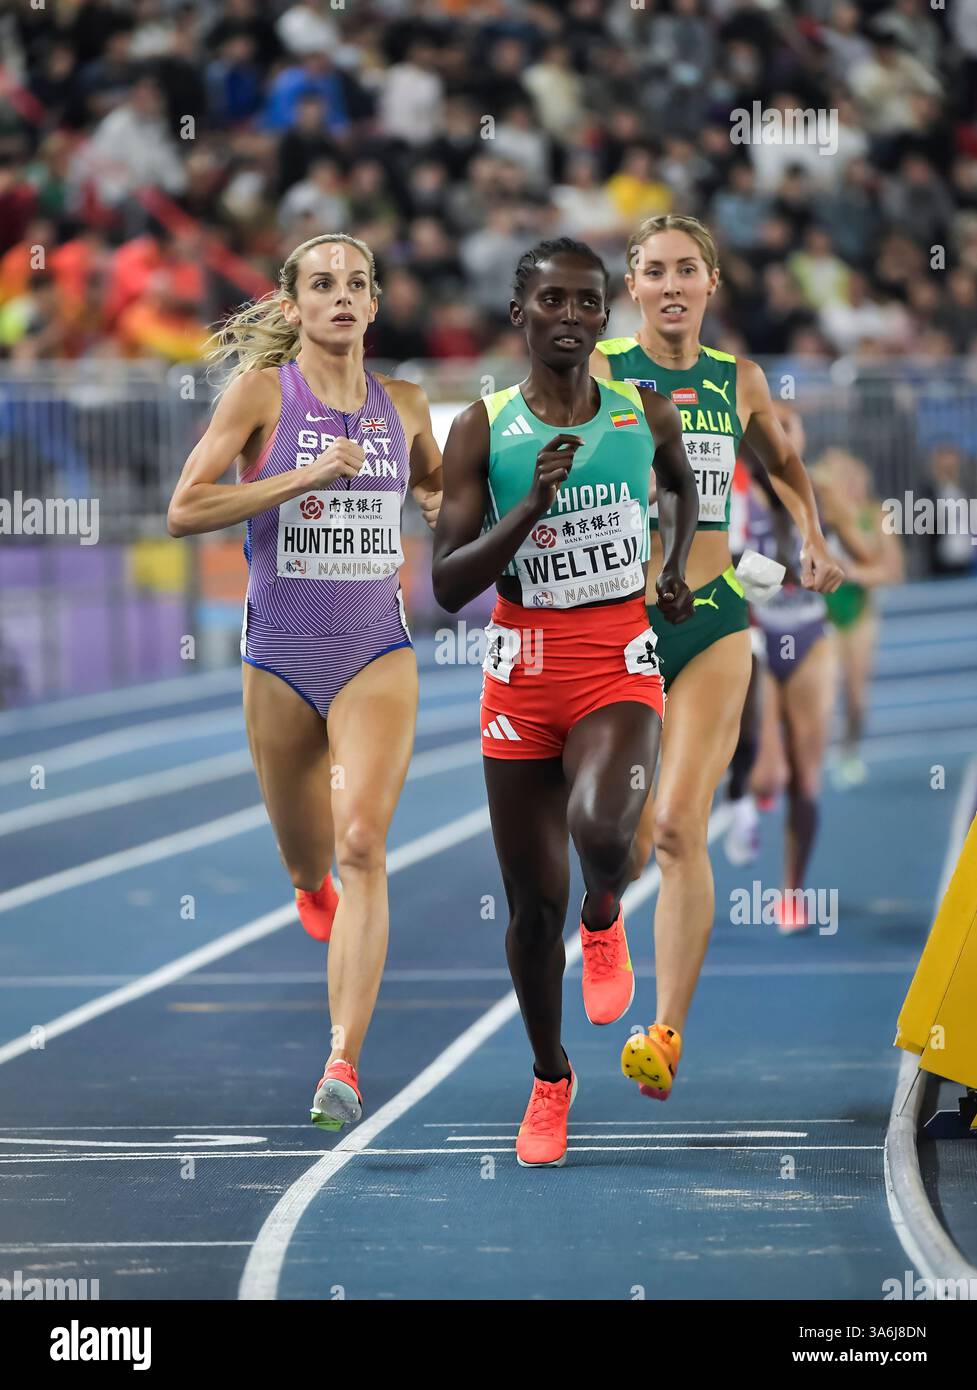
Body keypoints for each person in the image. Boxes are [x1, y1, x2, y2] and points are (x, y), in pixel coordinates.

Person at [166, 233, 442, 1131]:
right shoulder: (262, 394)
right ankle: (306, 885)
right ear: (293, 306)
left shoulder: (406, 405)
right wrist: (302, 477)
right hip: (280, 659)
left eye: (357, 283)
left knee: (362, 844)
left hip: (375, 652)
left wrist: (449, 501)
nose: (341, 296)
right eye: (322, 284)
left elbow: (442, 491)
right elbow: (185, 509)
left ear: (375, 303)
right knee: (309, 858)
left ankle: (342, 1065)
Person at [432, 238, 698, 1167]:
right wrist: (525, 510)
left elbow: (682, 486)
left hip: (615, 658)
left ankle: (605, 915)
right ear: (520, 313)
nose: (573, 318)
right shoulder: (482, 428)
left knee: (601, 828)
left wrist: (672, 566)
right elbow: (447, 584)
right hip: (521, 669)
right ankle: (551, 1079)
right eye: (554, 301)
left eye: (589, 302)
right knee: (529, 911)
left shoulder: (640, 411)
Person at [590, 214, 843, 1100]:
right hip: (616, 623)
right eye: (654, 270)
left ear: (710, 283)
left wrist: (811, 535)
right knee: (613, 841)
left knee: (675, 827)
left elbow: (782, 464)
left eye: (685, 270)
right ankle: (600, 913)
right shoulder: (600, 368)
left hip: (712, 617)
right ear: (631, 285)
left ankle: (665, 1033)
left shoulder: (737, 378)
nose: (670, 285)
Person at [744, 408, 838, 931]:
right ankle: (747, 797)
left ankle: (792, 891)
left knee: (805, 780)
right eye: (769, 425)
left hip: (809, 637)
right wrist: (786, 575)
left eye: (789, 426)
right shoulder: (732, 492)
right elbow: (718, 566)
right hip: (756, 638)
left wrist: (845, 570)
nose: (778, 434)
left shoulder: (821, 496)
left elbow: (876, 561)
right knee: (768, 776)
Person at [811, 448, 903, 786]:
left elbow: (892, 570)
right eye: (842, 479)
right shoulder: (818, 515)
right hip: (823, 614)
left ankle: (848, 751)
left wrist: (853, 573)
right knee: (822, 694)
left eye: (855, 478)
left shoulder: (875, 514)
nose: (851, 485)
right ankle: (812, 758)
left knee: (856, 697)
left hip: (859, 613)